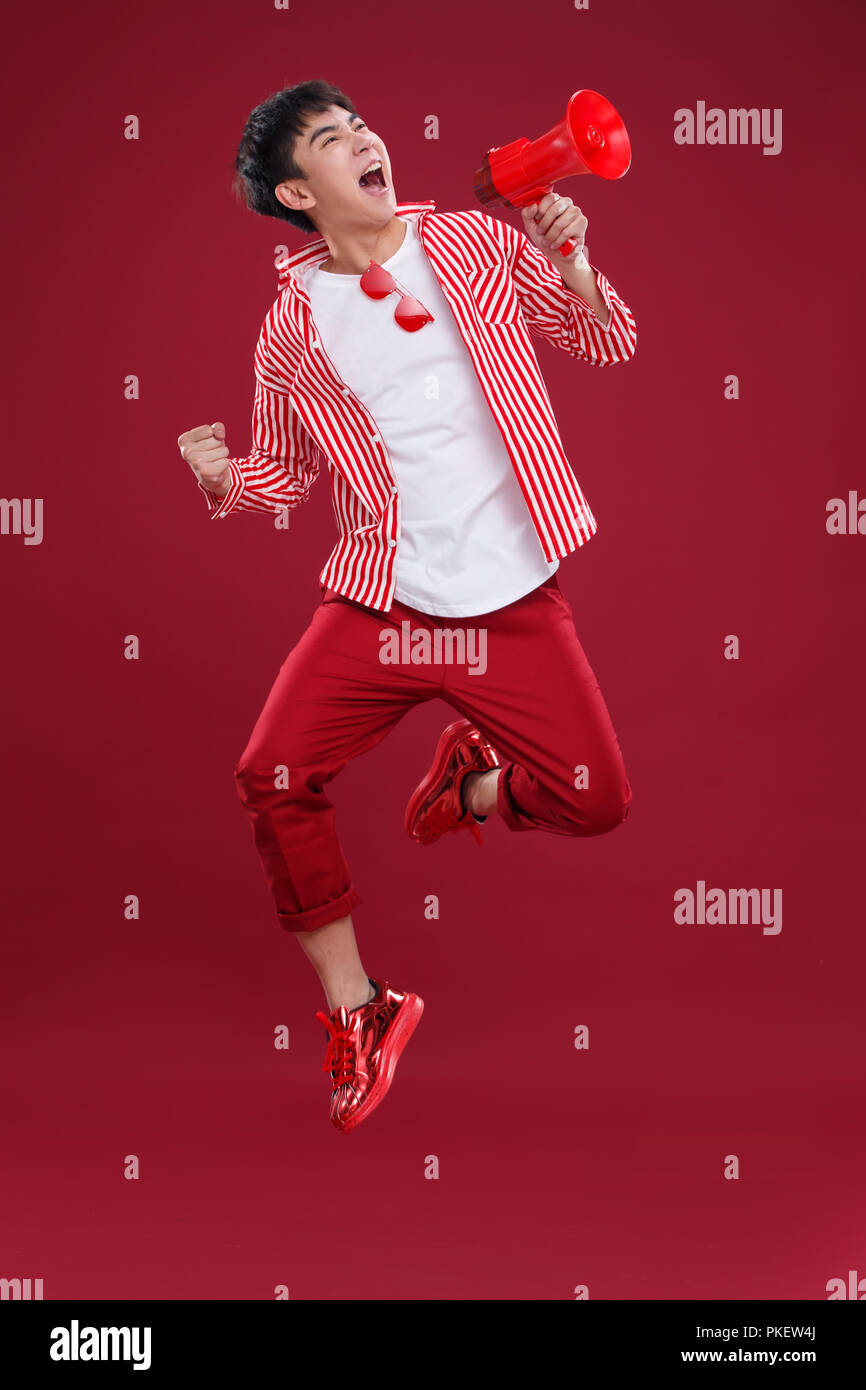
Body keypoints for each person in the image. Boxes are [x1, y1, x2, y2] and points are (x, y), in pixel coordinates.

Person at [177, 79, 637, 1136]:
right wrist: (221, 480)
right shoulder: (292, 323)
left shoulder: (476, 243)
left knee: (597, 797)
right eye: (334, 141)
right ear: (298, 191)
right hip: (382, 603)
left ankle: (469, 789)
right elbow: (286, 475)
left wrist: (568, 255)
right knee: (271, 775)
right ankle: (359, 1007)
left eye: (363, 125)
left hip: (508, 598)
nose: (367, 142)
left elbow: (606, 342)